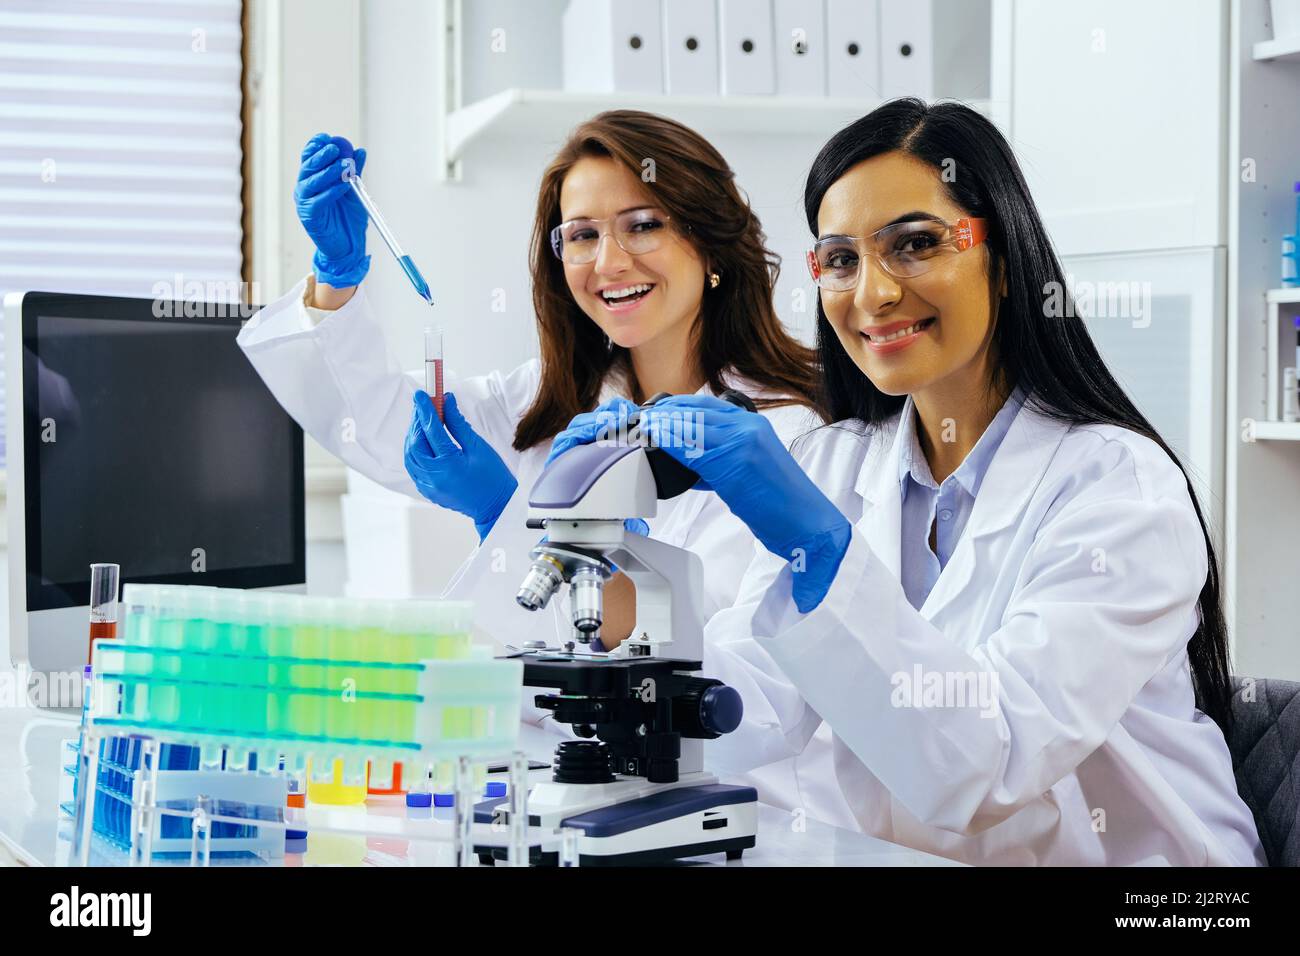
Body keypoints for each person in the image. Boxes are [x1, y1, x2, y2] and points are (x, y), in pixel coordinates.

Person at [557, 99, 1265, 865]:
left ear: (1003, 256)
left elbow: (990, 765)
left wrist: (821, 548)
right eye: (840, 260)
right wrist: (624, 577)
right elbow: (754, 709)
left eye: (916, 244)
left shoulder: (1120, 493)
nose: (873, 293)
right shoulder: (838, 464)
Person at [236, 109, 830, 803]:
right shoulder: (547, 404)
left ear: (712, 243)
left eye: (643, 225)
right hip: (554, 784)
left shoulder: (792, 439)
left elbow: (745, 700)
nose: (609, 261)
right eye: (581, 235)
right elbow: (375, 422)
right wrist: (335, 280)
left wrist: (505, 518)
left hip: (732, 807)